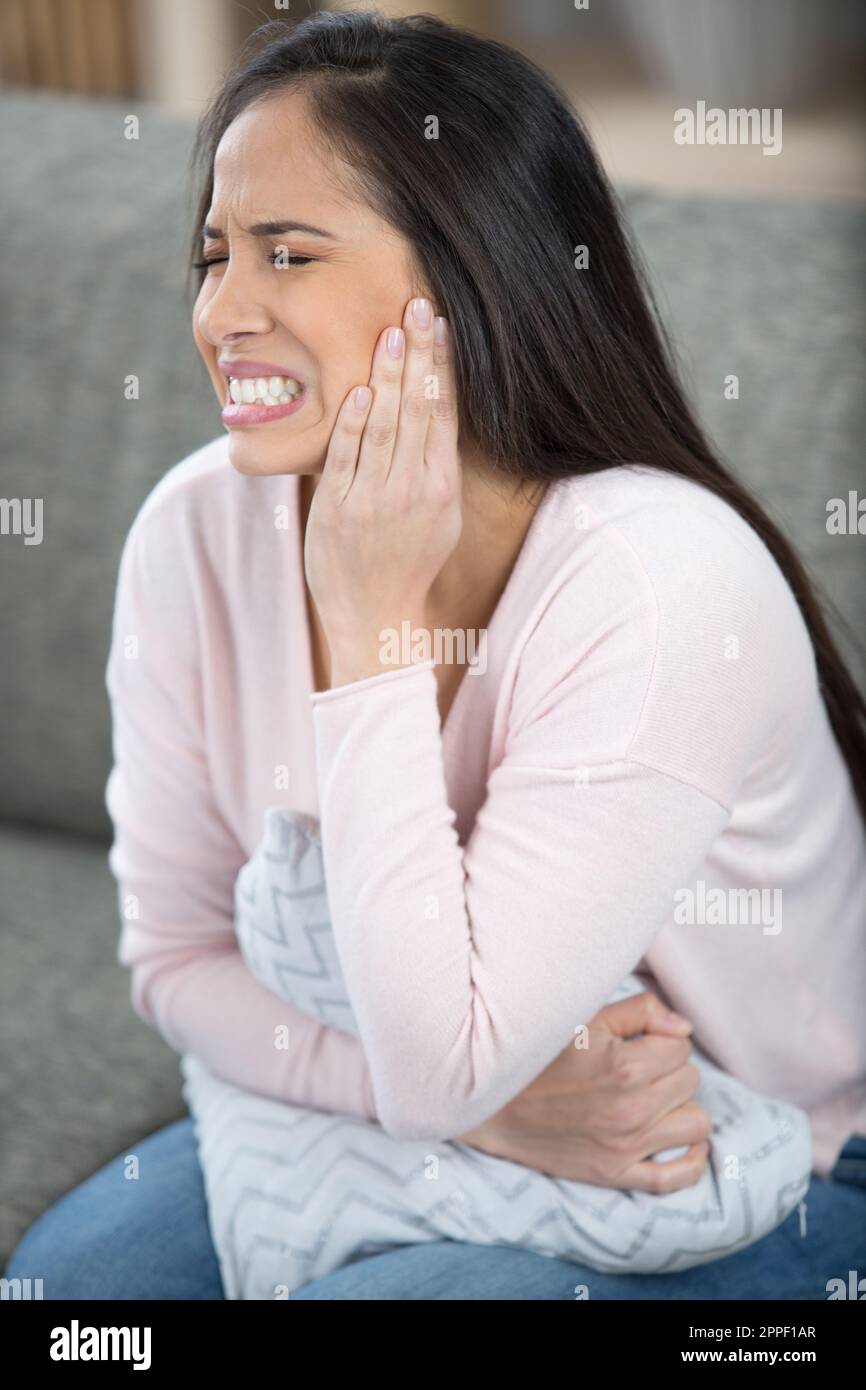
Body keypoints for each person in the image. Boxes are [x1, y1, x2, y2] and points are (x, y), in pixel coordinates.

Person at [7, 9, 865, 1300]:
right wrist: (488, 1114)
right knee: (68, 1290)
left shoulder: (660, 584)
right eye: (213, 255)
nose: (219, 312)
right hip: (418, 1099)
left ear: (468, 280)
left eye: (286, 254)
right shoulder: (191, 535)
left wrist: (368, 625)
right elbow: (175, 957)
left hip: (764, 1159)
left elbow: (440, 1055)